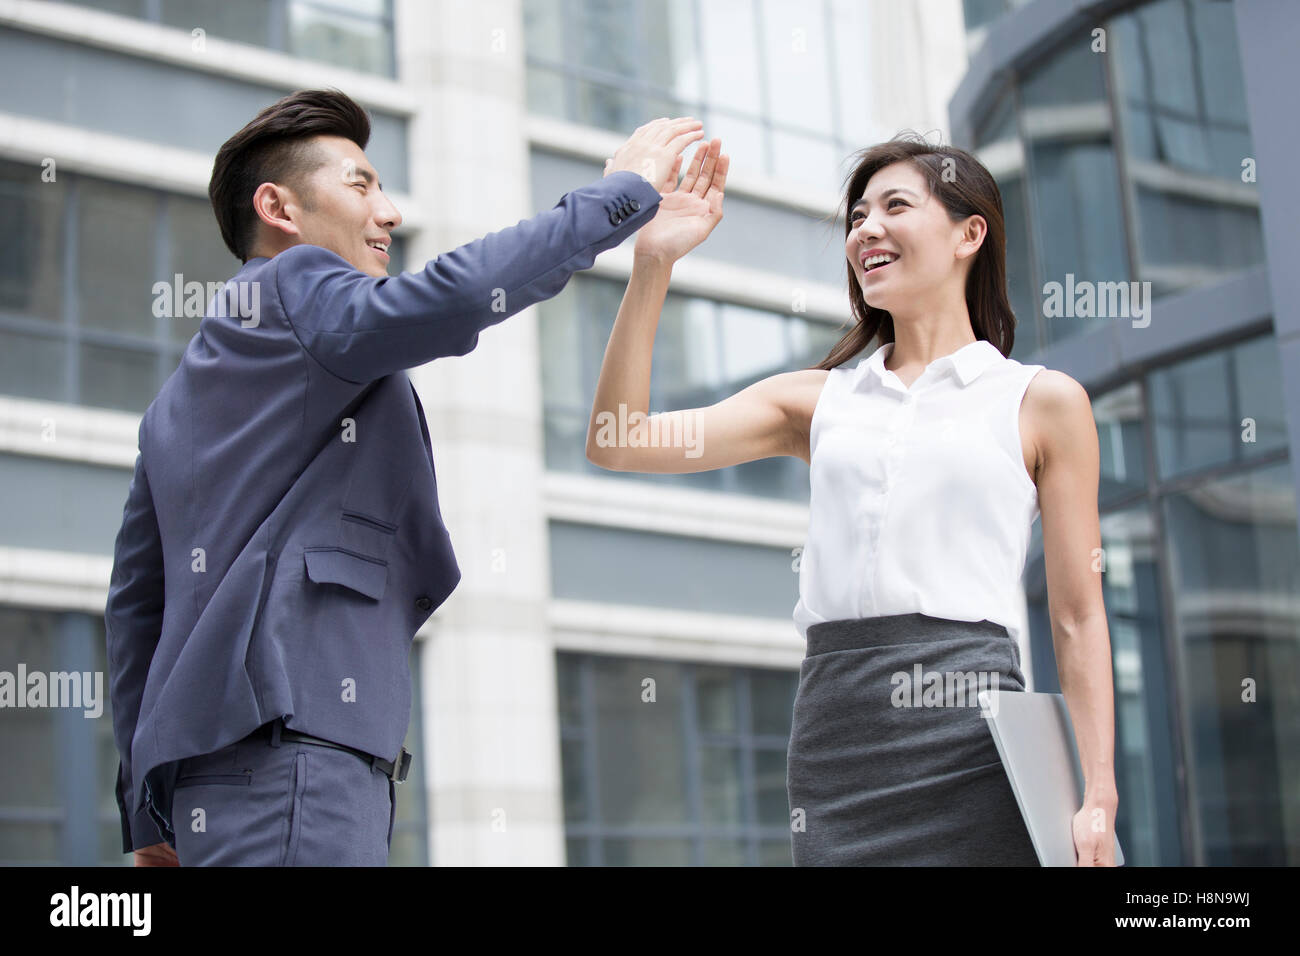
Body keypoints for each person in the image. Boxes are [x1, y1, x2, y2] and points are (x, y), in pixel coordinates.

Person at [105, 87, 705, 866]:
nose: (388, 212)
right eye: (361, 185)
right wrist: (619, 194)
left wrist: (147, 811)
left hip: (222, 786)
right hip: (299, 764)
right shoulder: (292, 289)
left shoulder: (174, 404)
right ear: (278, 208)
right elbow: (450, 298)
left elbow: (135, 609)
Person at [585, 132, 1119, 866]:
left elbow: (1077, 612)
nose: (866, 228)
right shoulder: (817, 401)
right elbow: (620, 439)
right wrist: (652, 264)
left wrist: (1098, 791)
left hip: (975, 733)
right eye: (857, 216)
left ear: (970, 233)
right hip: (839, 736)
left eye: (895, 206)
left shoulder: (1040, 401)